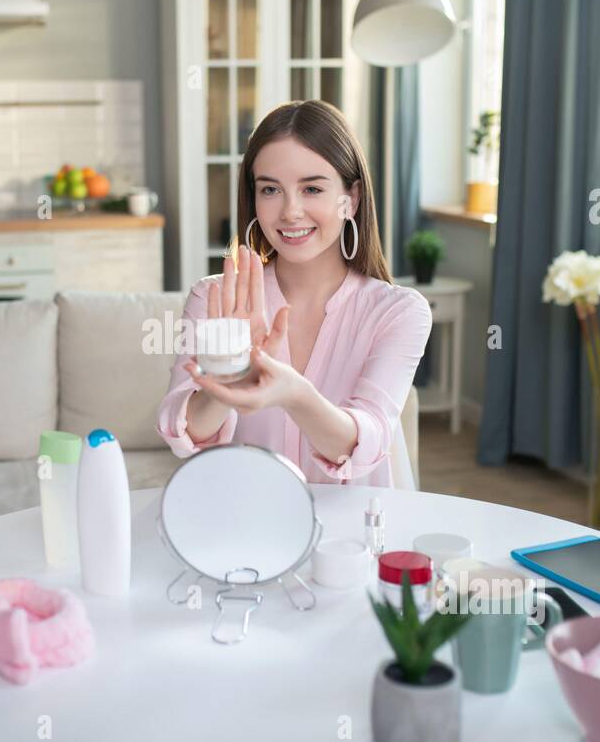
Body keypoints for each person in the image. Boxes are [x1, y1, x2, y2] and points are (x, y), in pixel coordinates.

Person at [155, 99, 432, 488]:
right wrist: (228, 376)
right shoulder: (214, 298)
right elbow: (184, 434)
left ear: (350, 199)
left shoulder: (398, 312)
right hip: (248, 528)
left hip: (356, 536)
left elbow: (365, 443)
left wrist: (295, 395)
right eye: (270, 189)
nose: (290, 211)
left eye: (312, 188)